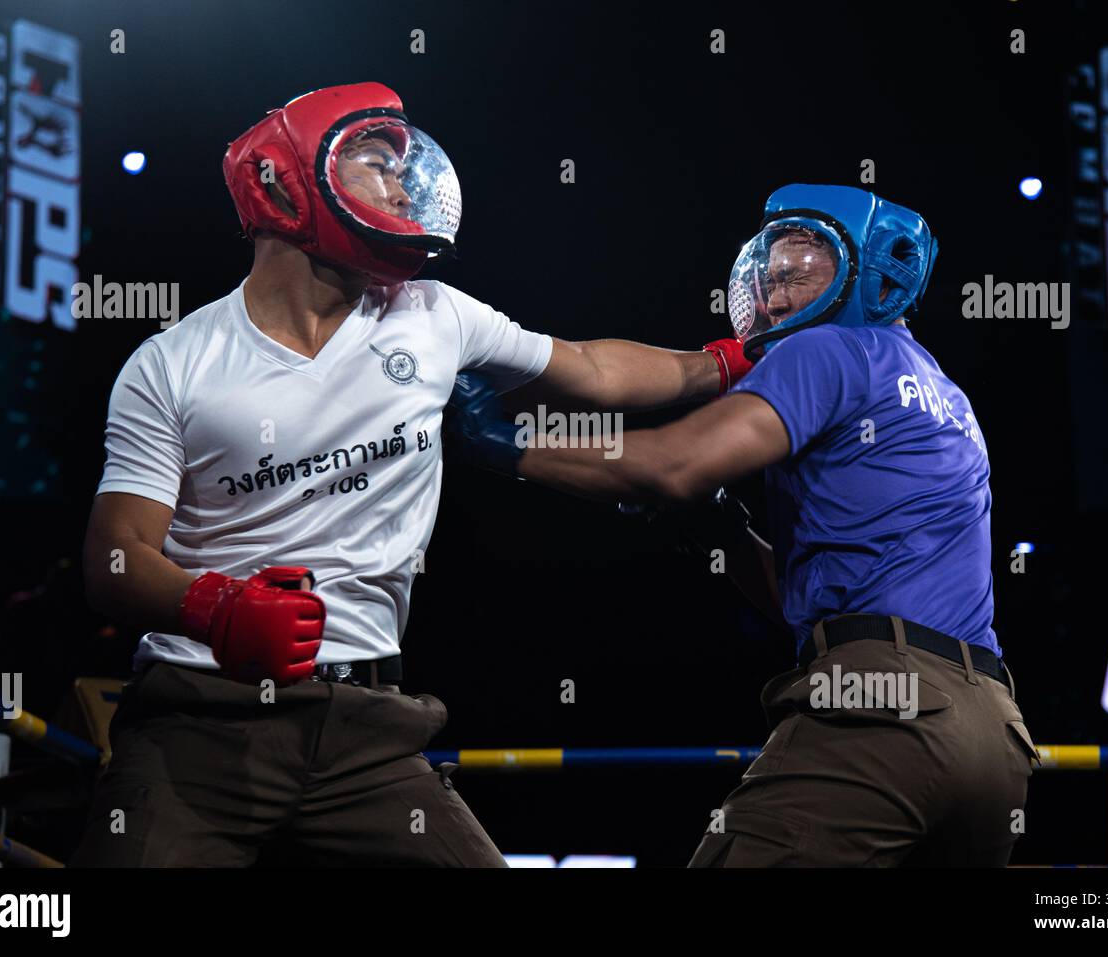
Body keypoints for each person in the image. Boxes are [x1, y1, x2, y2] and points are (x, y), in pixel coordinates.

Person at [71, 82, 751, 867]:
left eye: (401, 167)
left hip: (370, 727)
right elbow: (114, 557)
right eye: (373, 162)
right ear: (285, 182)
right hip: (198, 717)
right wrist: (219, 608)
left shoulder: (432, 314)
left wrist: (727, 362)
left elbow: (594, 372)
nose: (401, 187)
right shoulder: (173, 364)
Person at [451, 184, 1040, 866]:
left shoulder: (828, 351)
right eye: (763, 281)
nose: (774, 300)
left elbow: (676, 463)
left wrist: (507, 443)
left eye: (793, 276)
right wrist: (723, 533)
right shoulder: (943, 392)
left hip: (886, 715)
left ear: (868, 274)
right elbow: (824, 606)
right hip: (996, 734)